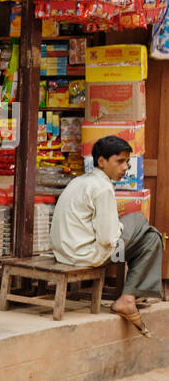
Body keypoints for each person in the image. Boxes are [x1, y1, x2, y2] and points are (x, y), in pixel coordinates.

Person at [51, 134, 164, 337]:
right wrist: (120, 227)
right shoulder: (102, 188)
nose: (125, 167)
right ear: (102, 161)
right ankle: (128, 298)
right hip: (87, 255)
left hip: (65, 253)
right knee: (144, 226)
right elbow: (107, 238)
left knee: (149, 237)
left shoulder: (81, 181)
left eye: (127, 162)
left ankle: (128, 298)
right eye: (119, 161)